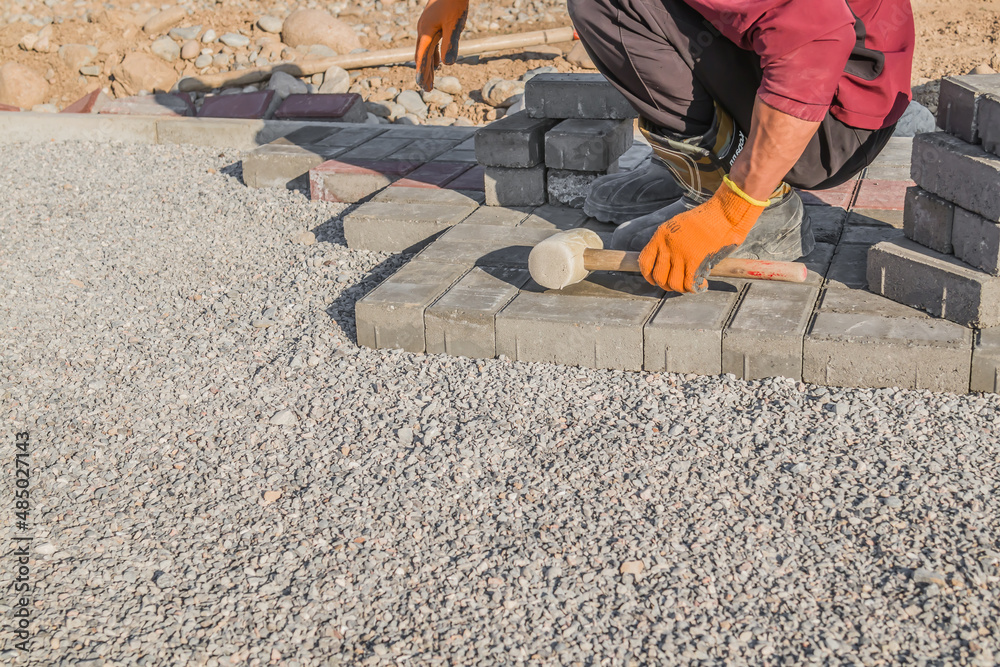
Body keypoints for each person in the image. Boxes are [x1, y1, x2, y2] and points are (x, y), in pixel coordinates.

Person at [414, 0, 915, 294]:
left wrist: (733, 211)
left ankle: (761, 207)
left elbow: (813, 44)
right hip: (834, 80)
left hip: (832, 120)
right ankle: (700, 163)